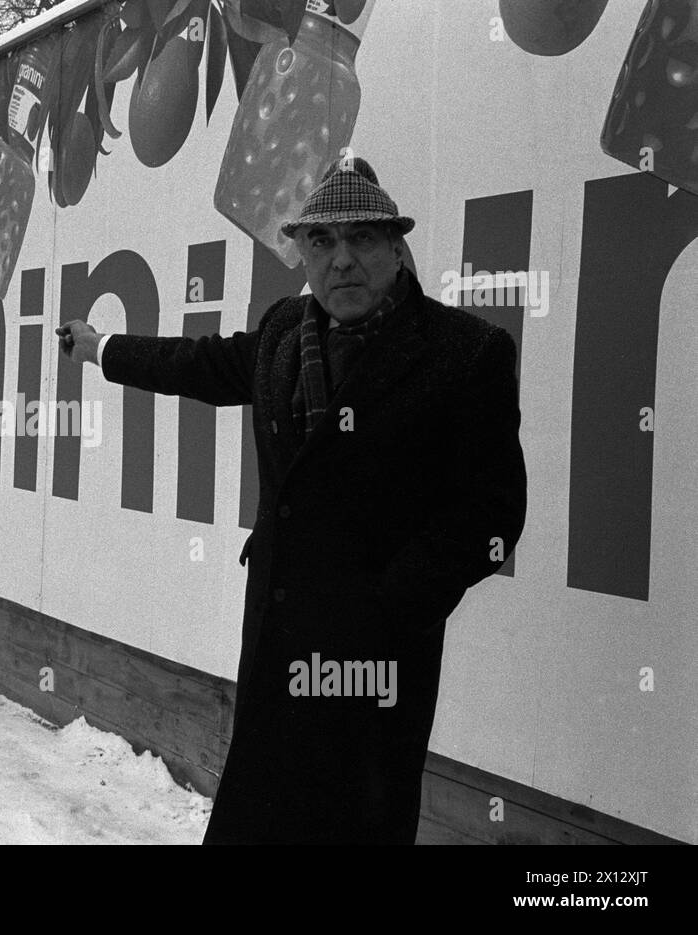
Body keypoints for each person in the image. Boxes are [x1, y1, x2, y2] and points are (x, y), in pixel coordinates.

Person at [56, 156, 527, 844]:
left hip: (374, 665)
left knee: (352, 825)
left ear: (397, 249)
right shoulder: (285, 330)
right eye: (321, 242)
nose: (342, 260)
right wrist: (102, 349)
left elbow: (491, 512)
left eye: (362, 239)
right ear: (302, 253)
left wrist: (393, 604)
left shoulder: (465, 352)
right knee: (258, 814)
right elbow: (200, 364)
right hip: (278, 640)